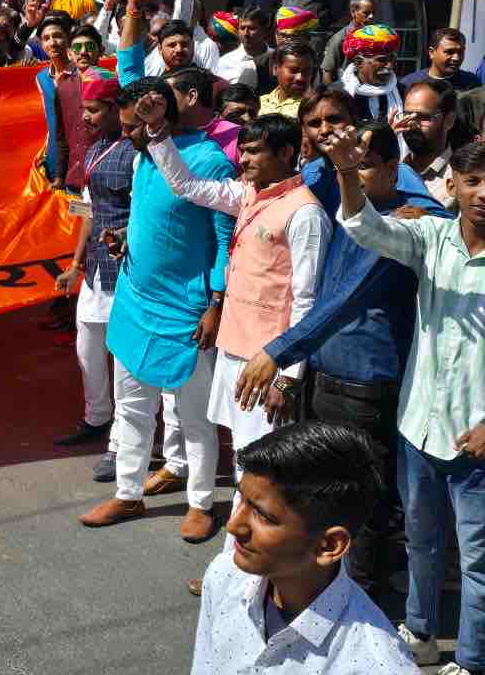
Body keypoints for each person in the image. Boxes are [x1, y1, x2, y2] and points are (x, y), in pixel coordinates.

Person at [237, 122, 449, 596]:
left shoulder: (401, 223)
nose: (349, 173)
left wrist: (278, 352)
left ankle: (358, 604)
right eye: (342, 164)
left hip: (364, 386)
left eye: (364, 165)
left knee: (361, 505)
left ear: (394, 171)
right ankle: (319, 590)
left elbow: (342, 301)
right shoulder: (344, 204)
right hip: (324, 375)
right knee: (319, 496)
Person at [318, 129, 485, 675]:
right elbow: (364, 227)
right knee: (420, 539)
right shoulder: (431, 237)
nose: (482, 192)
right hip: (419, 423)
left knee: (477, 559)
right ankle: (418, 629)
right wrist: (346, 171)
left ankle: (470, 658)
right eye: (473, 181)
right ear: (454, 187)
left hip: (475, 439)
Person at [138, 101, 329, 530]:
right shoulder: (247, 196)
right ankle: (239, 561)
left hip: (267, 361)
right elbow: (187, 186)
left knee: (260, 465)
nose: (242, 159)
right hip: (234, 349)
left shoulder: (305, 213)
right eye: (242, 150)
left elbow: (306, 301)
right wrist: (157, 134)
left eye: (255, 151)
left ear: (285, 153)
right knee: (245, 455)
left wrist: (288, 375)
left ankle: (250, 565)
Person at [79, 74, 234, 543]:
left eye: (133, 126)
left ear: (158, 119)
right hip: (134, 301)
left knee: (193, 416)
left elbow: (224, 243)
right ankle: (129, 494)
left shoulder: (209, 161)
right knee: (131, 407)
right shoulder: (145, 156)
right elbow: (153, 218)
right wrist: (126, 238)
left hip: (185, 311)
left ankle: (201, 503)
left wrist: (215, 304)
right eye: (125, 126)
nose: (126, 135)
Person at [191, 422, 420, 675]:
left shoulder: (377, 664)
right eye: (241, 499)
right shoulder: (224, 575)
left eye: (263, 515)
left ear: (329, 546)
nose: (233, 525)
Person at [53, 68, 135, 484]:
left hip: (126, 269)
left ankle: (123, 442)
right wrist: (73, 265)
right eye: (83, 110)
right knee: (88, 349)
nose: (84, 117)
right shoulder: (94, 148)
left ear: (115, 110)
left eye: (92, 110)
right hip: (94, 271)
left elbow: (143, 212)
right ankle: (96, 417)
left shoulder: (135, 153)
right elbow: (86, 213)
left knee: (122, 359)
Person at [34, 16, 81, 190]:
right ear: (41, 44)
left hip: (81, 161)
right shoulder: (41, 78)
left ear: (68, 39)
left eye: (57, 36)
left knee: (81, 213)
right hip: (54, 159)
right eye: (46, 38)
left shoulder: (83, 74)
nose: (52, 42)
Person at [398, 79, 458, 209]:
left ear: (449, 120)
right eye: (407, 115)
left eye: (423, 117)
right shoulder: (391, 169)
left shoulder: (461, 178)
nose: (412, 124)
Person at [339, 24, 404, 124]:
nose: (390, 66)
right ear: (358, 63)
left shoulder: (403, 91)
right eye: (382, 60)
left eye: (392, 60)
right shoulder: (339, 96)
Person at [401, 27, 480, 92]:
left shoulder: (472, 83)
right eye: (449, 52)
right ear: (432, 53)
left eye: (461, 52)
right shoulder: (410, 84)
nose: (456, 58)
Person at [321, 0, 376, 82]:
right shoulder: (339, 39)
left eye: (373, 13)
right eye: (366, 13)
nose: (371, 17)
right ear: (353, 12)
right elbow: (328, 71)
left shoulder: (375, 37)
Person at [259, 41, 317, 119]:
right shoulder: (260, 102)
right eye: (294, 70)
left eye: (306, 71)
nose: (300, 78)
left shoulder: (315, 107)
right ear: (275, 69)